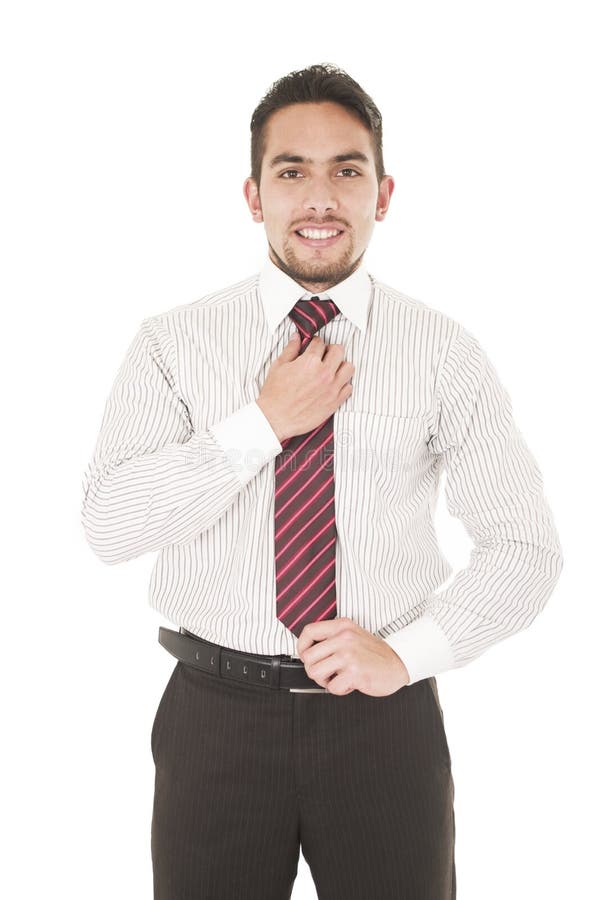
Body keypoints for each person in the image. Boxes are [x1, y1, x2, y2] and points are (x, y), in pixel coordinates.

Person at [80, 62, 563, 900]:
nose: (319, 197)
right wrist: (260, 425)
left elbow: (525, 547)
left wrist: (407, 655)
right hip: (214, 719)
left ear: (383, 193)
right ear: (253, 194)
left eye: (347, 169)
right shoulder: (172, 343)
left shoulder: (442, 350)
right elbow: (109, 525)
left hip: (384, 722)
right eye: (291, 171)